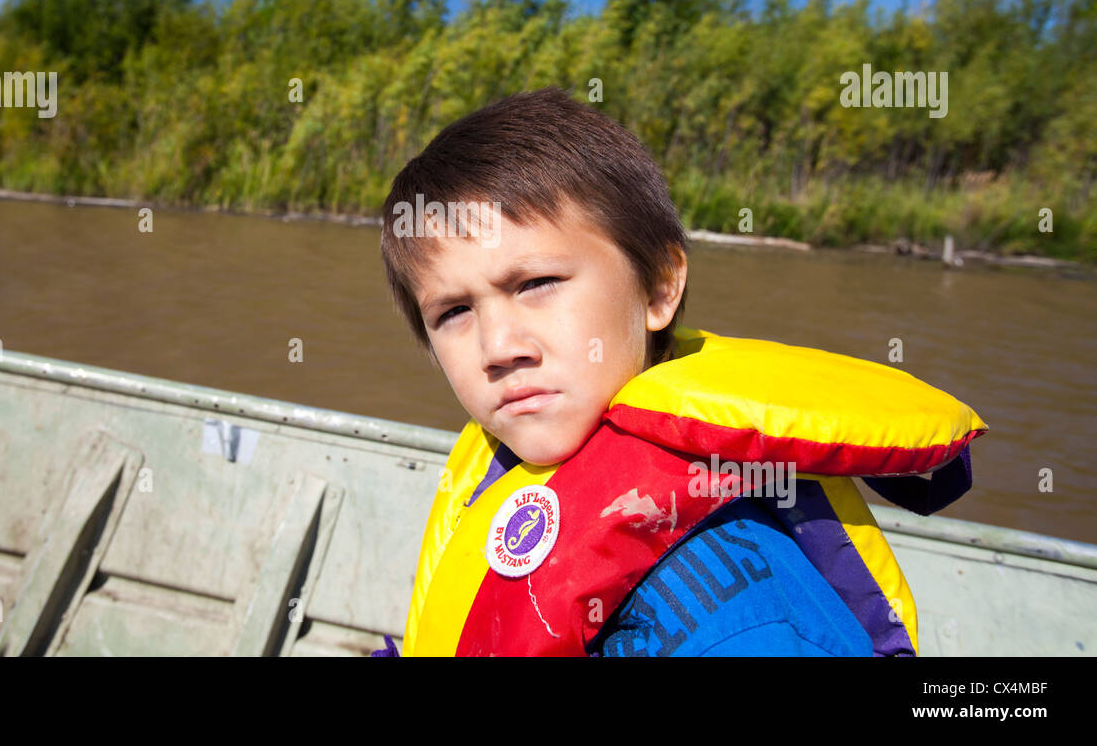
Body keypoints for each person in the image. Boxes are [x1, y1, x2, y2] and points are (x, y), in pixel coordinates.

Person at [373, 86, 985, 657]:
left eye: (536, 283)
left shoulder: (732, 612)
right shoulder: (504, 469)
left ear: (660, 287)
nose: (499, 345)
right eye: (453, 311)